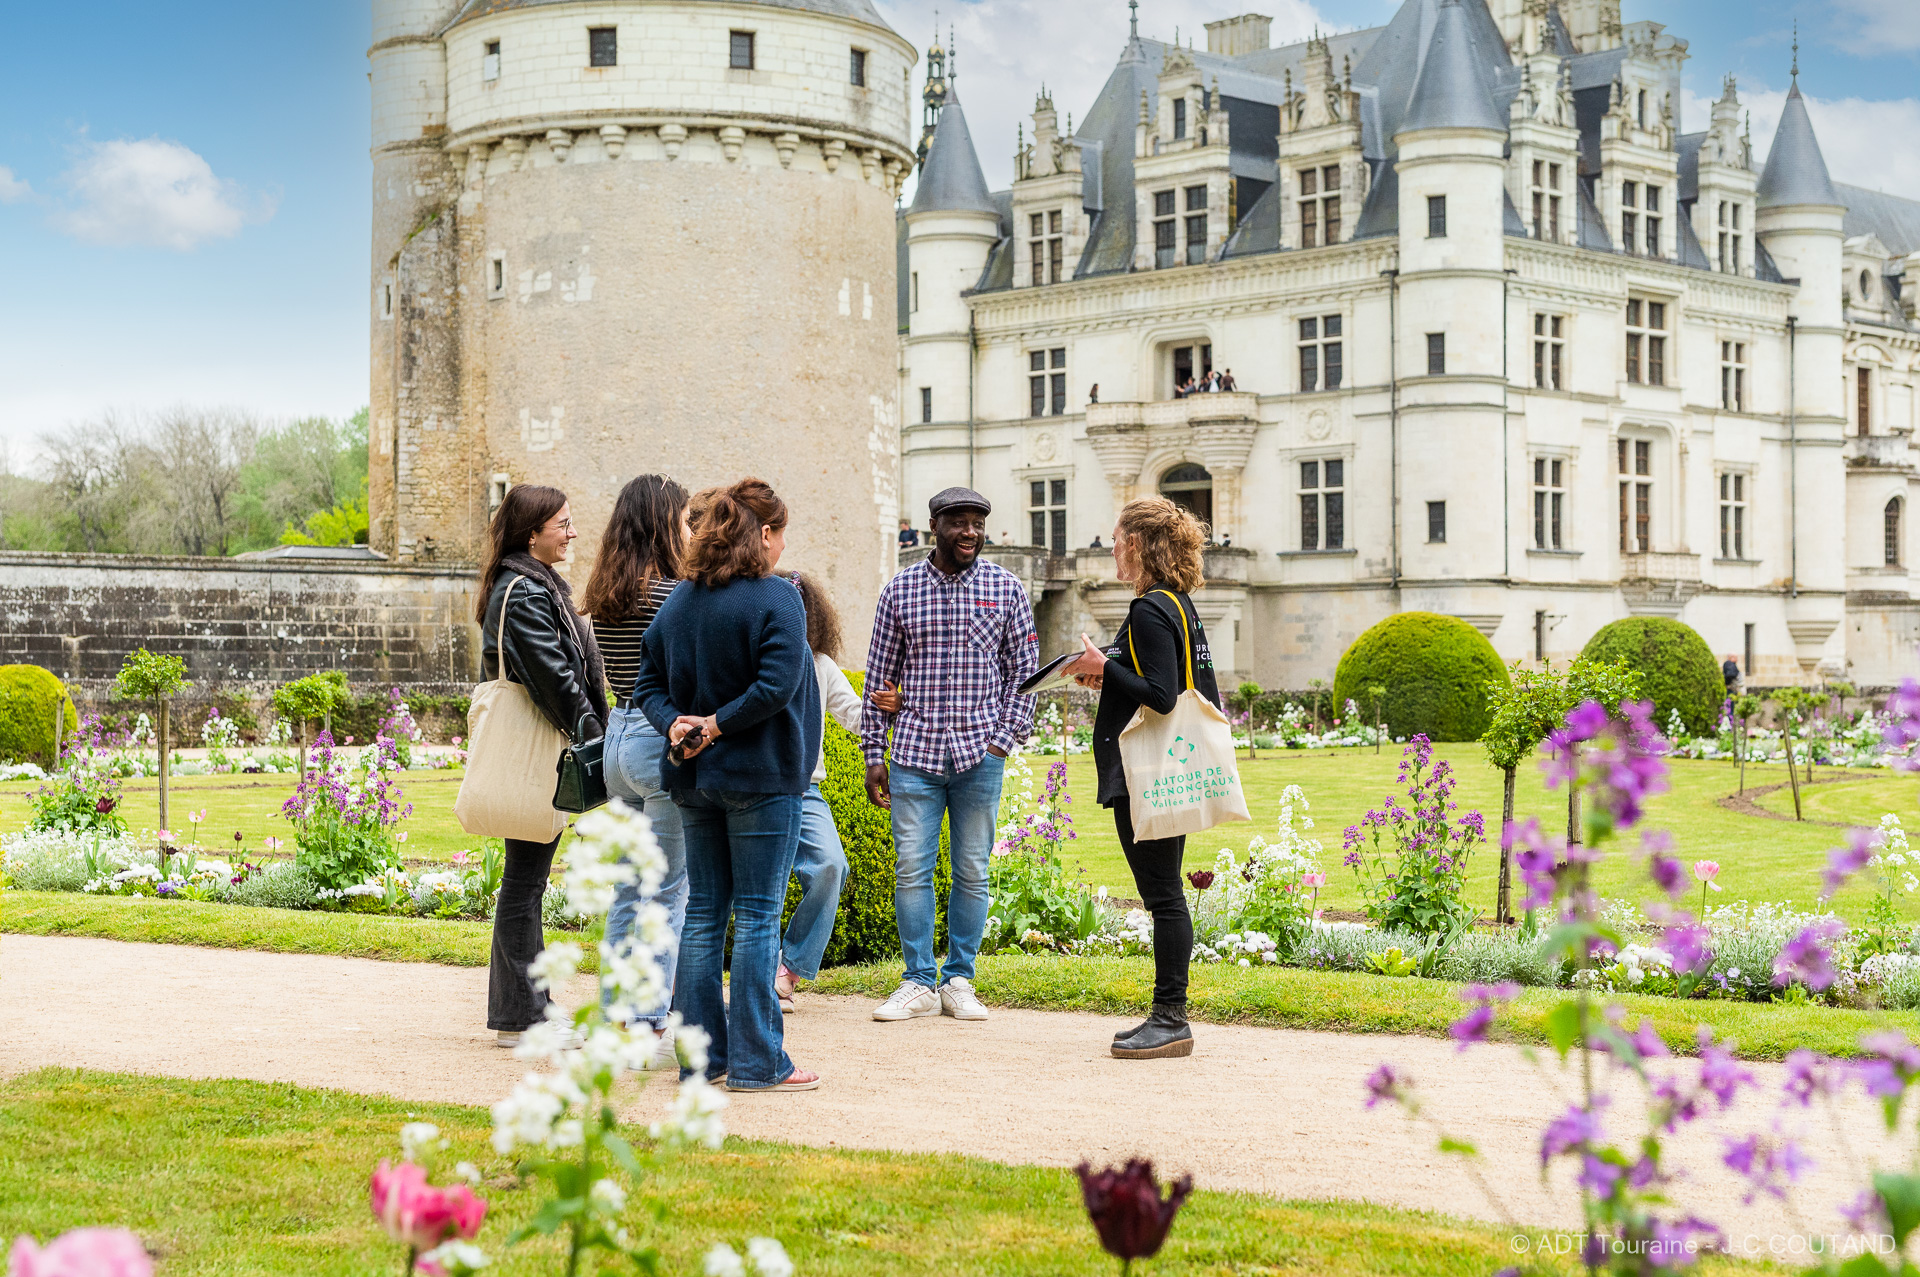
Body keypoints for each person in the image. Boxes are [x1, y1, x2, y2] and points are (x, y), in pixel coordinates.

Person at [633, 477, 822, 1093]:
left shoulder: (677, 602)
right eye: (780, 534)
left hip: (692, 779)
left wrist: (677, 727)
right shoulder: (778, 598)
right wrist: (714, 725)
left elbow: (648, 689)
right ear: (763, 536)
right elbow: (777, 687)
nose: (782, 546)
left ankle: (700, 1060)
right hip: (761, 776)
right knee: (760, 915)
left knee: (704, 915)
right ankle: (758, 1062)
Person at [861, 486, 1039, 1023]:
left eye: (978, 523)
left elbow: (1024, 676)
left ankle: (959, 979)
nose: (970, 532)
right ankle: (917, 981)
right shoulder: (900, 590)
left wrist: (1001, 741)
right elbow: (878, 679)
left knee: (972, 871)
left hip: (979, 757)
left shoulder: (1006, 588)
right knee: (912, 871)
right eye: (959, 522)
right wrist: (874, 753)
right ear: (933, 526)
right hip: (913, 753)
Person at [1061, 495, 1219, 1061]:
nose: (1110, 547)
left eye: (1116, 536)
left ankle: (1171, 1017)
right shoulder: (1177, 603)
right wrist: (1108, 673)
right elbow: (1167, 678)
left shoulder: (1150, 608)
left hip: (1147, 769)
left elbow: (1159, 693)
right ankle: (1166, 1014)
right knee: (1165, 892)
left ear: (1138, 544)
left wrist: (1105, 668)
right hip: (1171, 762)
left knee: (1163, 895)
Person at [477, 484, 608, 1048]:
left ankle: (522, 1011)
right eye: (563, 523)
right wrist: (595, 738)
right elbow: (554, 678)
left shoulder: (528, 585)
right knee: (525, 882)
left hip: (538, 742)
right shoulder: (527, 592)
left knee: (523, 880)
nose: (573, 532)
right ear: (532, 533)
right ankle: (524, 1016)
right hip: (536, 746)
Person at [583, 474, 689, 1034]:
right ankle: (647, 1012)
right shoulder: (673, 595)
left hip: (618, 735)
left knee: (628, 885)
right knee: (667, 888)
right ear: (663, 522)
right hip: (657, 737)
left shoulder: (606, 595)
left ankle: (613, 1008)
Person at [773, 571, 863, 1010]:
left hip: (805, 792)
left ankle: (788, 969)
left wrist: (899, 708)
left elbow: (855, 715)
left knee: (831, 866)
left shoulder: (822, 666)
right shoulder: (756, 656)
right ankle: (759, 973)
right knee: (755, 885)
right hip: (759, 789)